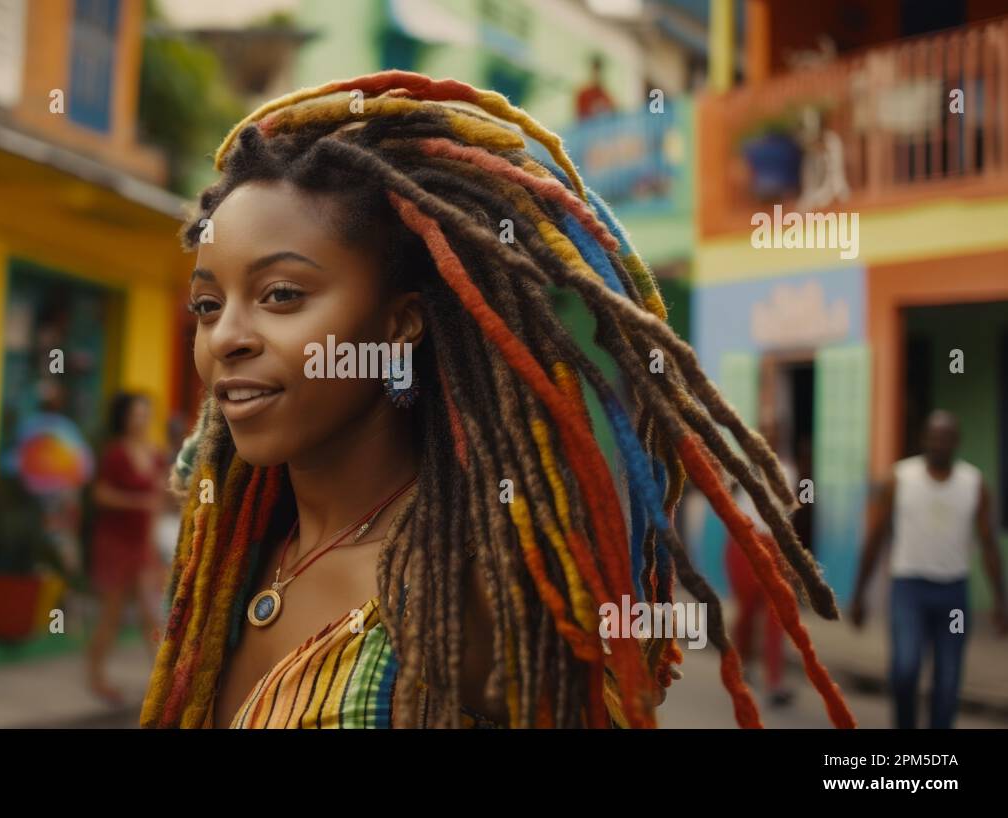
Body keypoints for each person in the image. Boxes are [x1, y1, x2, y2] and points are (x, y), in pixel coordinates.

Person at [140, 70, 853, 729]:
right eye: (207, 305)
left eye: (281, 296)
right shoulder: (227, 558)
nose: (226, 337)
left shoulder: (471, 594)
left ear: (399, 324)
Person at [849, 410, 1008, 729]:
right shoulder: (900, 478)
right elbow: (876, 536)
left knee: (948, 682)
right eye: (934, 436)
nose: (940, 443)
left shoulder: (973, 484)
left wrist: (1000, 600)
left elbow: (989, 543)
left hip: (953, 594)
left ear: (956, 441)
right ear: (924, 439)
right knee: (905, 669)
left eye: (946, 437)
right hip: (909, 590)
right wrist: (859, 594)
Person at [87, 392, 167, 705]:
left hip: (142, 545)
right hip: (114, 543)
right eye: (136, 414)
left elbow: (159, 499)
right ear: (124, 418)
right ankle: (96, 677)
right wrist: (137, 502)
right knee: (112, 615)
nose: (141, 420)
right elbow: (101, 495)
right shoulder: (115, 454)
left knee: (152, 614)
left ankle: (162, 683)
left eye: (145, 414)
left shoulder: (155, 453)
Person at [724, 414, 795, 707]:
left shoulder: (788, 470)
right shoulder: (739, 467)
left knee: (777, 615)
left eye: (773, 432)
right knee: (747, 613)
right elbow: (723, 497)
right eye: (763, 432)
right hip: (743, 544)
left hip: (774, 547)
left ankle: (774, 683)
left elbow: (788, 514)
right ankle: (743, 665)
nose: (767, 437)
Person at [575, 53, 616, 121]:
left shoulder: (607, 97)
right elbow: (579, 119)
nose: (598, 75)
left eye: (599, 71)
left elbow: (614, 116)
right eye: (595, 71)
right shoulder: (584, 95)